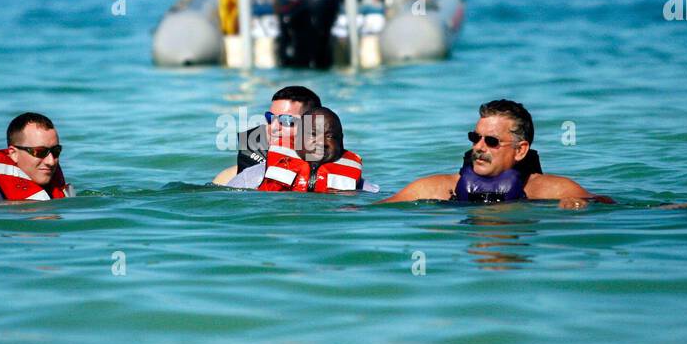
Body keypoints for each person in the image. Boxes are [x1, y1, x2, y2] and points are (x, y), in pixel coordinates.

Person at [380, 99, 602, 208]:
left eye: (492, 141)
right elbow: (374, 213)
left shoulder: (555, 191)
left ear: (521, 150)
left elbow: (611, 209)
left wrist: (580, 207)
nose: (479, 147)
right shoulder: (432, 189)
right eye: (476, 138)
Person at [226, 107, 378, 192]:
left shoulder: (360, 187)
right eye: (312, 134)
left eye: (330, 136)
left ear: (341, 142)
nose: (321, 142)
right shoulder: (256, 176)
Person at [212, 85, 321, 185]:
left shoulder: (330, 170)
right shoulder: (239, 176)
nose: (273, 128)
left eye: (285, 120)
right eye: (270, 118)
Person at [0, 112, 72, 200]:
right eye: (39, 152)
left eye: (56, 151)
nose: (51, 161)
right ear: (14, 154)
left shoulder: (55, 186)